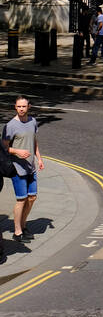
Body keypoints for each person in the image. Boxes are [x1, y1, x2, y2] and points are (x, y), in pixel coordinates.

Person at [2, 96, 44, 247]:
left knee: (32, 198)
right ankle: (17, 231)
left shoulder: (32, 121)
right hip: (17, 168)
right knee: (21, 199)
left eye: (24, 106)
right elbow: (4, 147)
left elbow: (34, 141)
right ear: (15, 107)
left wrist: (39, 158)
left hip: (30, 166)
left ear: (28, 107)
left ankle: (24, 224)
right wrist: (17, 151)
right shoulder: (10, 126)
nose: (21, 109)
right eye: (19, 106)